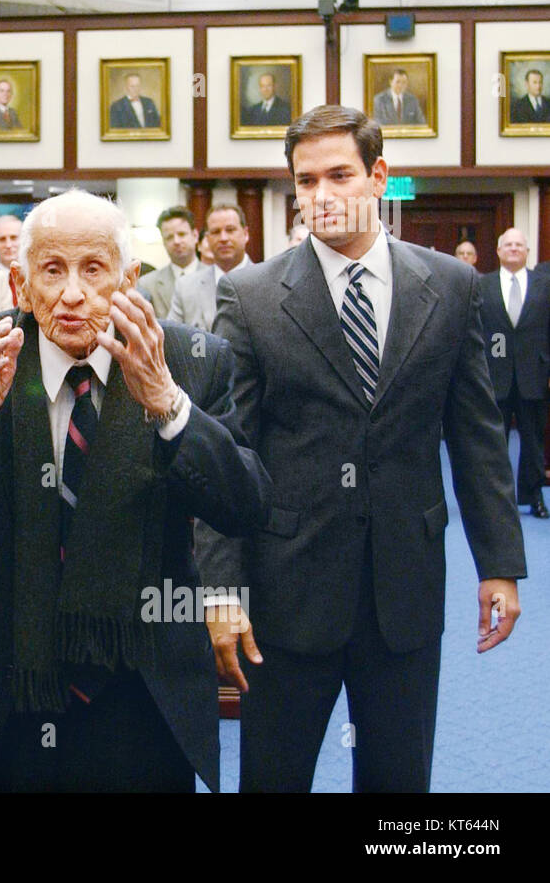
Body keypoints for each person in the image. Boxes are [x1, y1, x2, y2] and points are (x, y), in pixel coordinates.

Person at [198, 105, 526, 792]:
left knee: (399, 786)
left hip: (405, 586)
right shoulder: (252, 295)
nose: (322, 196)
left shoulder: (452, 286)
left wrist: (499, 563)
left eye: (339, 175)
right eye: (306, 181)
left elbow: (478, 436)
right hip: (289, 591)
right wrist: (223, 590)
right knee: (272, 779)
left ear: (378, 176)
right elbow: (228, 454)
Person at [0, 189, 271, 791]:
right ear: (21, 284)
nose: (72, 293)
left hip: (142, 679)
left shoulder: (189, 359)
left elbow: (244, 506)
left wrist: (169, 406)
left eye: (94, 269)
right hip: (11, 676)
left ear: (128, 280)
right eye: (52, 270)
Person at [479, 228, 550, 518]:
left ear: (527, 251)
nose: (513, 248)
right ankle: (495, 501)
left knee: (533, 442)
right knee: (494, 444)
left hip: (534, 375)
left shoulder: (544, 286)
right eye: (507, 244)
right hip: (494, 377)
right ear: (498, 251)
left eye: (519, 245)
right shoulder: (482, 285)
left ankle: (534, 497)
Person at [168, 204, 251, 331]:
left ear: (245, 234)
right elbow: (173, 340)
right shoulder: (185, 287)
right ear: (207, 238)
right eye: (215, 232)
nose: (223, 238)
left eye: (230, 230)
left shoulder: (267, 283)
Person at [137, 206, 199, 318]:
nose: (176, 241)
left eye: (181, 234)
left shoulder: (217, 278)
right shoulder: (147, 284)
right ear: (163, 242)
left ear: (195, 236)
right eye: (169, 237)